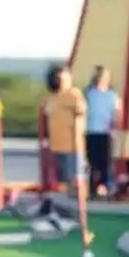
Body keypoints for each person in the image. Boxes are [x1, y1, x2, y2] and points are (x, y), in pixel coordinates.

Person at [44, 64, 87, 196]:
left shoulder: (73, 94)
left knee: (74, 177)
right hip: (56, 144)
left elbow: (81, 109)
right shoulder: (51, 98)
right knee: (61, 177)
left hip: (72, 145)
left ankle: (78, 201)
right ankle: (64, 200)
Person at [84, 66, 121, 199]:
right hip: (91, 131)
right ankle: (92, 188)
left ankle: (105, 187)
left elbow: (116, 113)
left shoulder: (112, 95)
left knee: (106, 162)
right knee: (92, 162)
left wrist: (115, 126)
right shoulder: (89, 93)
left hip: (106, 132)